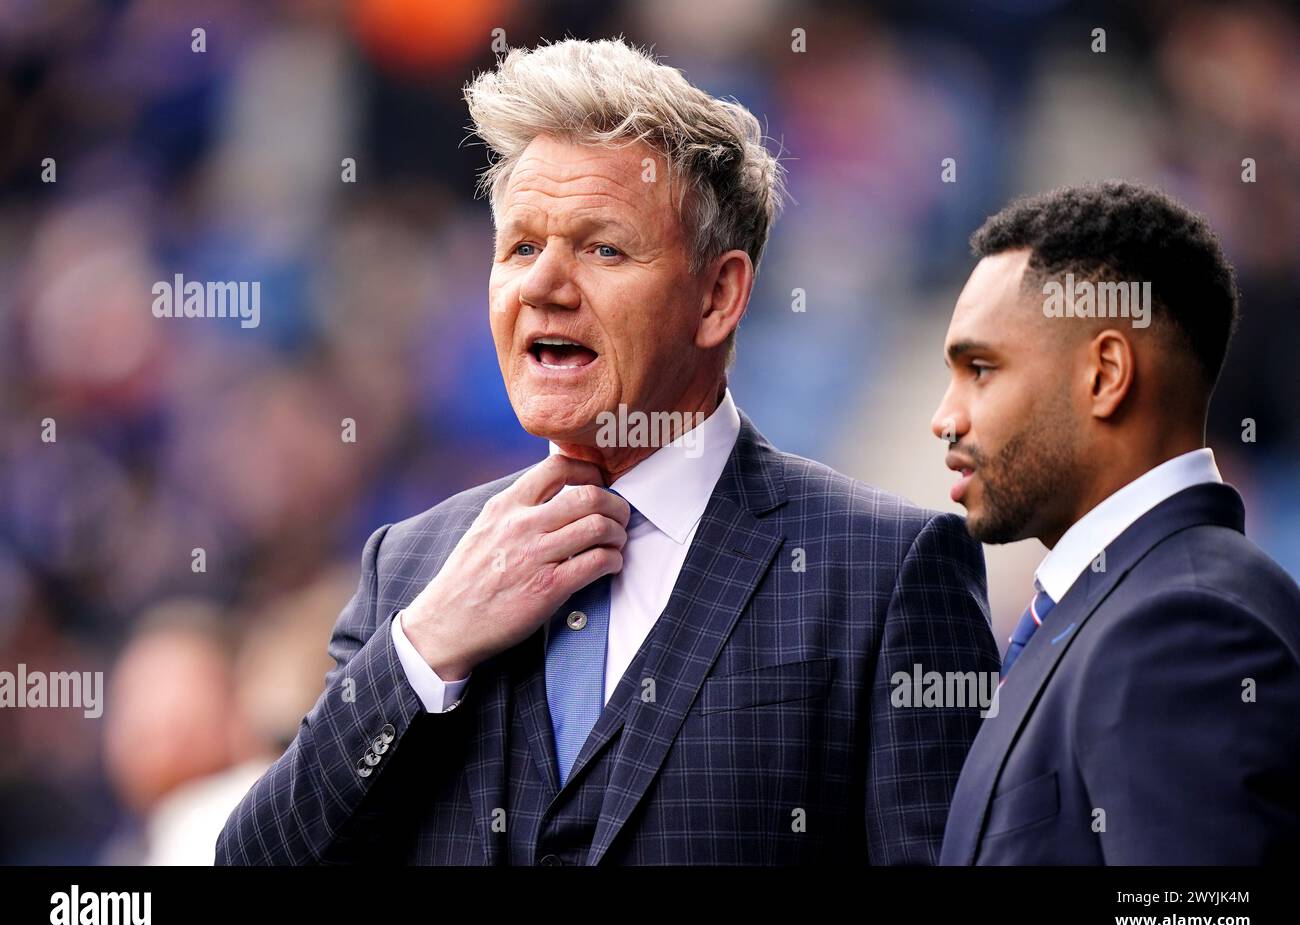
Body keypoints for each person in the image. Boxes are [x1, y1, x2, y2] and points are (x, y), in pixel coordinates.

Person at [216, 37, 997, 866]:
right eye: (519, 247)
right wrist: (426, 647)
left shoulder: (883, 570)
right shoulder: (410, 575)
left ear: (719, 295)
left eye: (603, 248)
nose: (544, 286)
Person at [933, 181, 1300, 864]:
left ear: (1105, 374)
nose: (945, 416)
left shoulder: (1181, 629)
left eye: (980, 368)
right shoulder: (1124, 607)